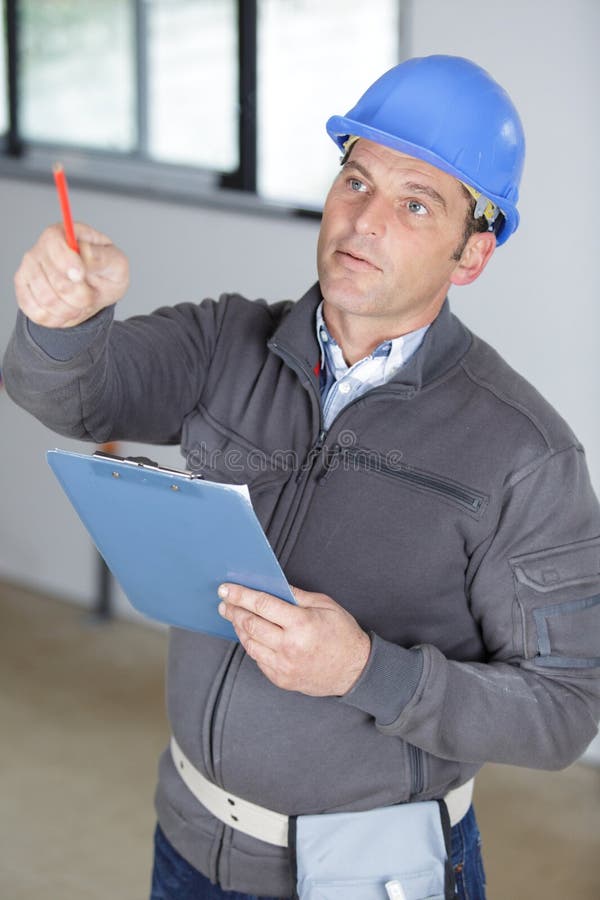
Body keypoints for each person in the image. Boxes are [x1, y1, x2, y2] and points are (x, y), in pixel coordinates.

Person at [3, 55, 600, 900]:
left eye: (415, 203)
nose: (364, 222)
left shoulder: (526, 454)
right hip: (189, 843)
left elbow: (564, 712)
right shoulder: (227, 342)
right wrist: (60, 323)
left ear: (472, 254)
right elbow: (73, 396)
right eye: (355, 181)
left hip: (370, 878)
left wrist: (365, 670)